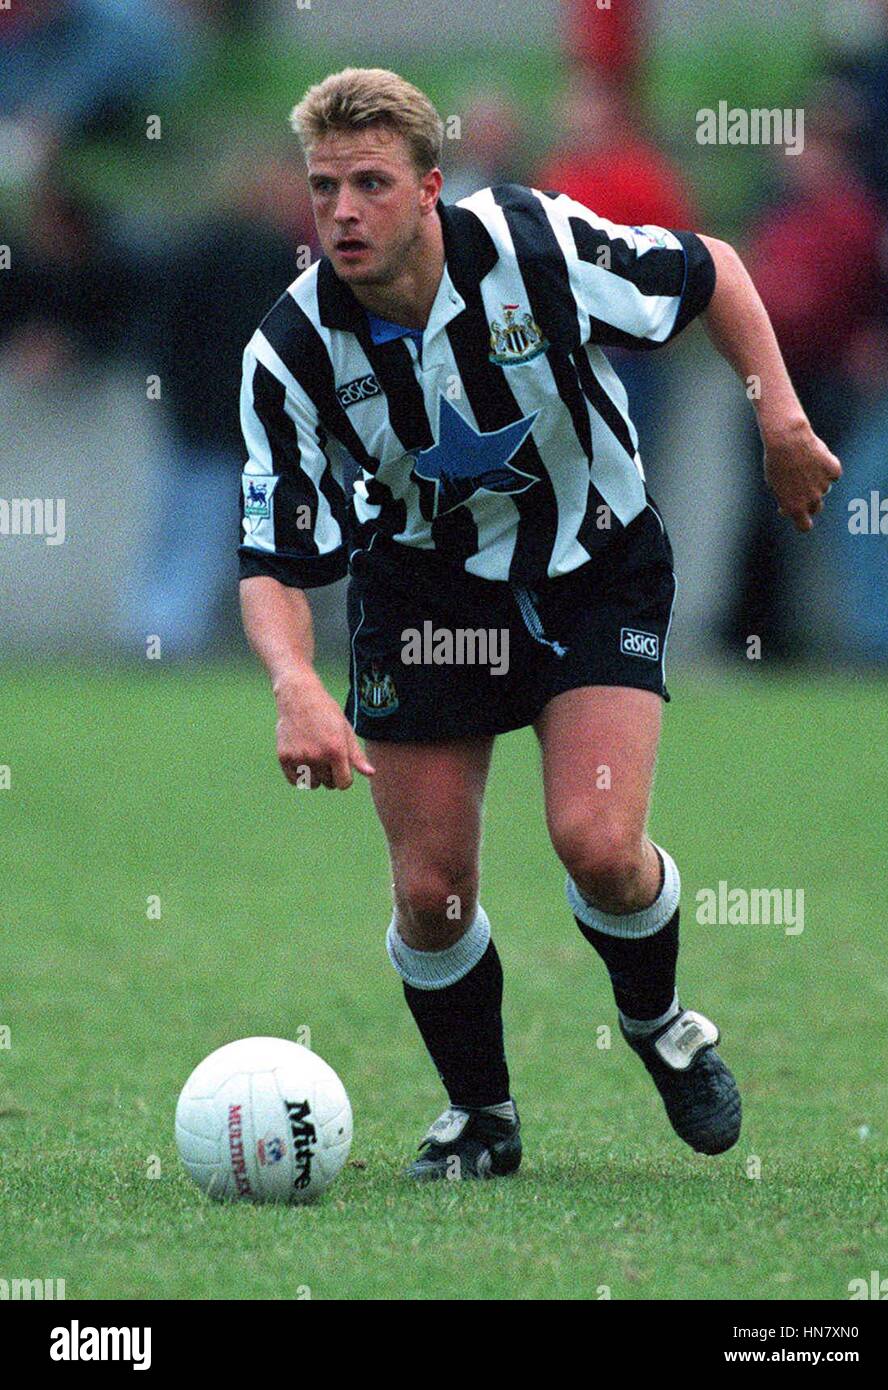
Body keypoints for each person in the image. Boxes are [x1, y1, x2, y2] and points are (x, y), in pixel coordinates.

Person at [237, 68, 841, 1181]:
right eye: (324, 188)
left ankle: (661, 1025)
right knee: (431, 892)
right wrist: (294, 681)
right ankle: (481, 1116)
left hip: (592, 568)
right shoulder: (288, 351)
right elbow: (271, 554)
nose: (344, 213)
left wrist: (783, 419)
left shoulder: (531, 242)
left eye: (371, 184)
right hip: (422, 597)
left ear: (431, 188)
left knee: (600, 846)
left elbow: (713, 272)